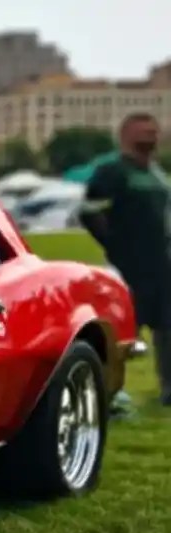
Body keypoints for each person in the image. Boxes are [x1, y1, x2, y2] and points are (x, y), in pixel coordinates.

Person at [80, 112, 171, 406]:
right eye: (143, 130)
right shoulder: (112, 171)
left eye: (154, 130)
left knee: (167, 329)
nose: (151, 135)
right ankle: (110, 394)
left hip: (163, 265)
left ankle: (169, 391)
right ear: (125, 135)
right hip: (131, 266)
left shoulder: (157, 174)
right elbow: (90, 212)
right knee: (123, 332)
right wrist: (116, 246)